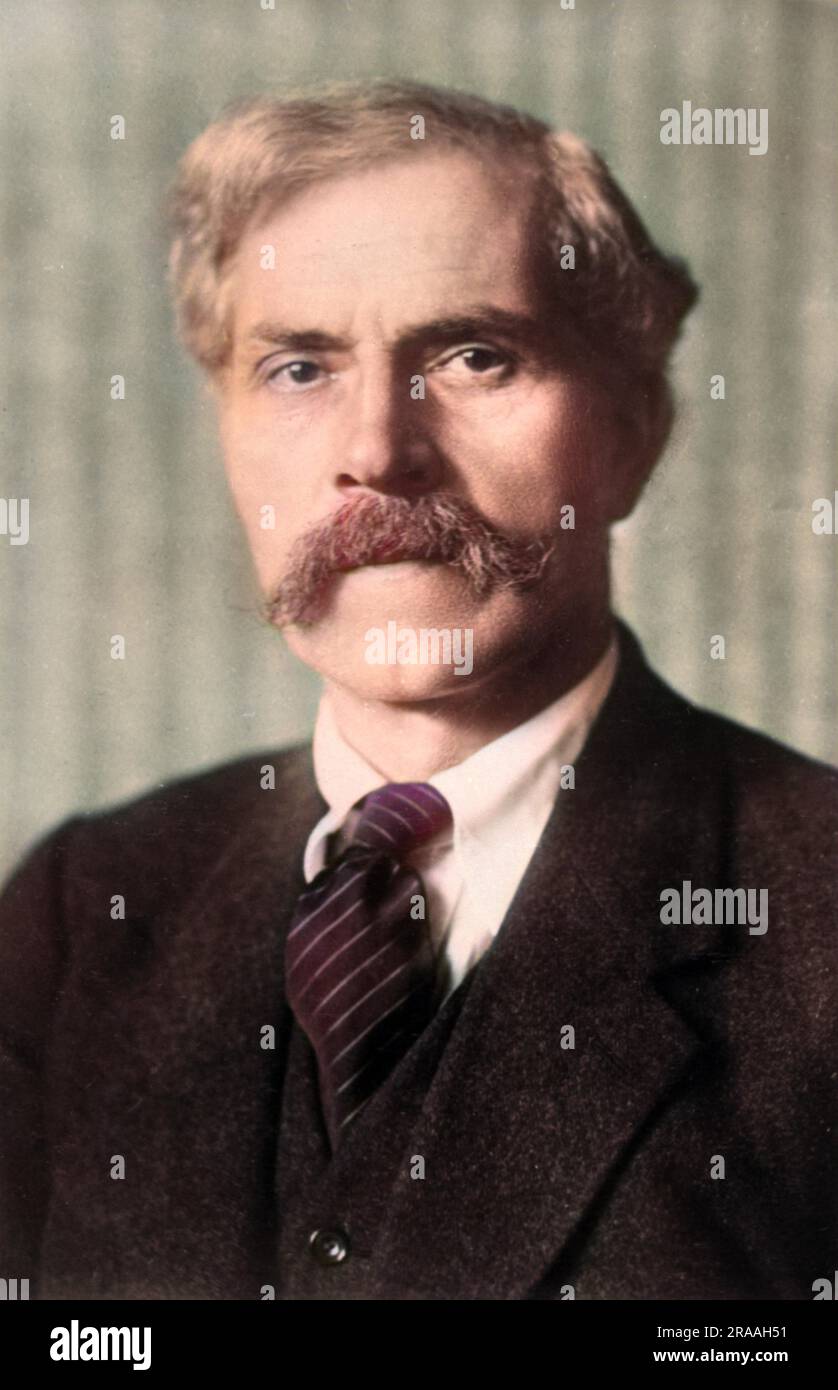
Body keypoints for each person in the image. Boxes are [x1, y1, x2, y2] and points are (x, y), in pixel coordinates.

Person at [1, 79, 836, 1302]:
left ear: (632, 431)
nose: (378, 450)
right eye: (297, 368)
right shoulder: (86, 910)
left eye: (473, 355)